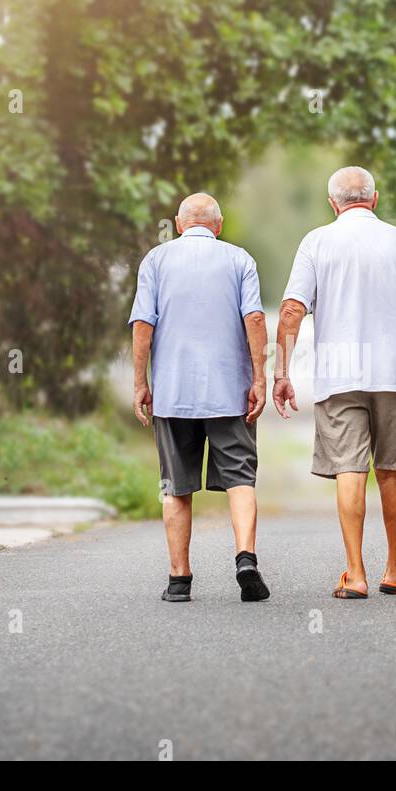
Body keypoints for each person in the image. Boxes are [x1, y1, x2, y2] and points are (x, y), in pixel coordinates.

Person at [273, 167, 396, 599]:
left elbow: (291, 313)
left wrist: (281, 372)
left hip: (340, 375)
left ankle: (354, 574)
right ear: (374, 200)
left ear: (332, 204)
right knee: (393, 472)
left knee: (348, 470)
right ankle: (394, 569)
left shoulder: (316, 242)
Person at [128, 193, 270, 603]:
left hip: (173, 395)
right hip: (231, 393)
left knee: (175, 486)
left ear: (177, 223)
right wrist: (259, 378)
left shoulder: (156, 260)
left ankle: (179, 580)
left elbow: (142, 324)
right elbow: (255, 318)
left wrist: (141, 382)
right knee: (241, 479)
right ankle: (245, 558)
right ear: (218, 224)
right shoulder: (240, 259)